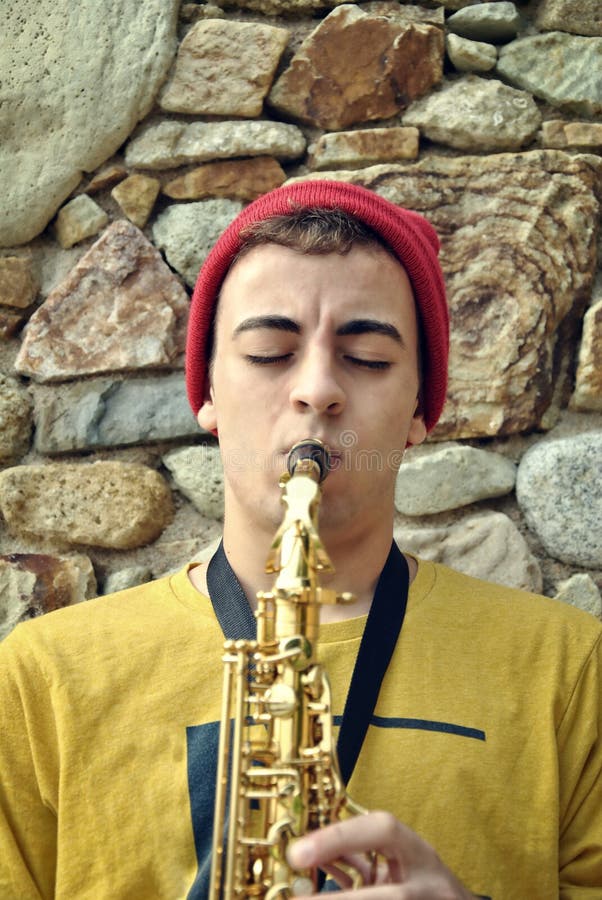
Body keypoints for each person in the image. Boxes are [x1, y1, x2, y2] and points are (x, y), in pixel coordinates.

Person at [0, 181, 601, 900]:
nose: (318, 389)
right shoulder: (40, 678)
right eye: (268, 352)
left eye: (368, 358)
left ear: (420, 410)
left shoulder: (571, 668)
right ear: (207, 394)